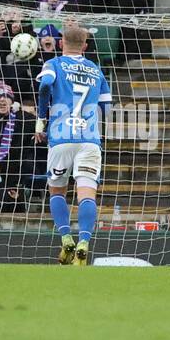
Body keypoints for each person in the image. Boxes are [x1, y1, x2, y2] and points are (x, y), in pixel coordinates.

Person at [36, 22, 110, 264]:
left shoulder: (53, 64)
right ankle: (84, 242)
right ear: (85, 46)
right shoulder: (96, 70)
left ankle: (66, 238)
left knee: (57, 190)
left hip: (61, 138)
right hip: (88, 139)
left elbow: (45, 84)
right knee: (87, 193)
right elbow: (106, 106)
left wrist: (41, 120)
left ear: (60, 43)